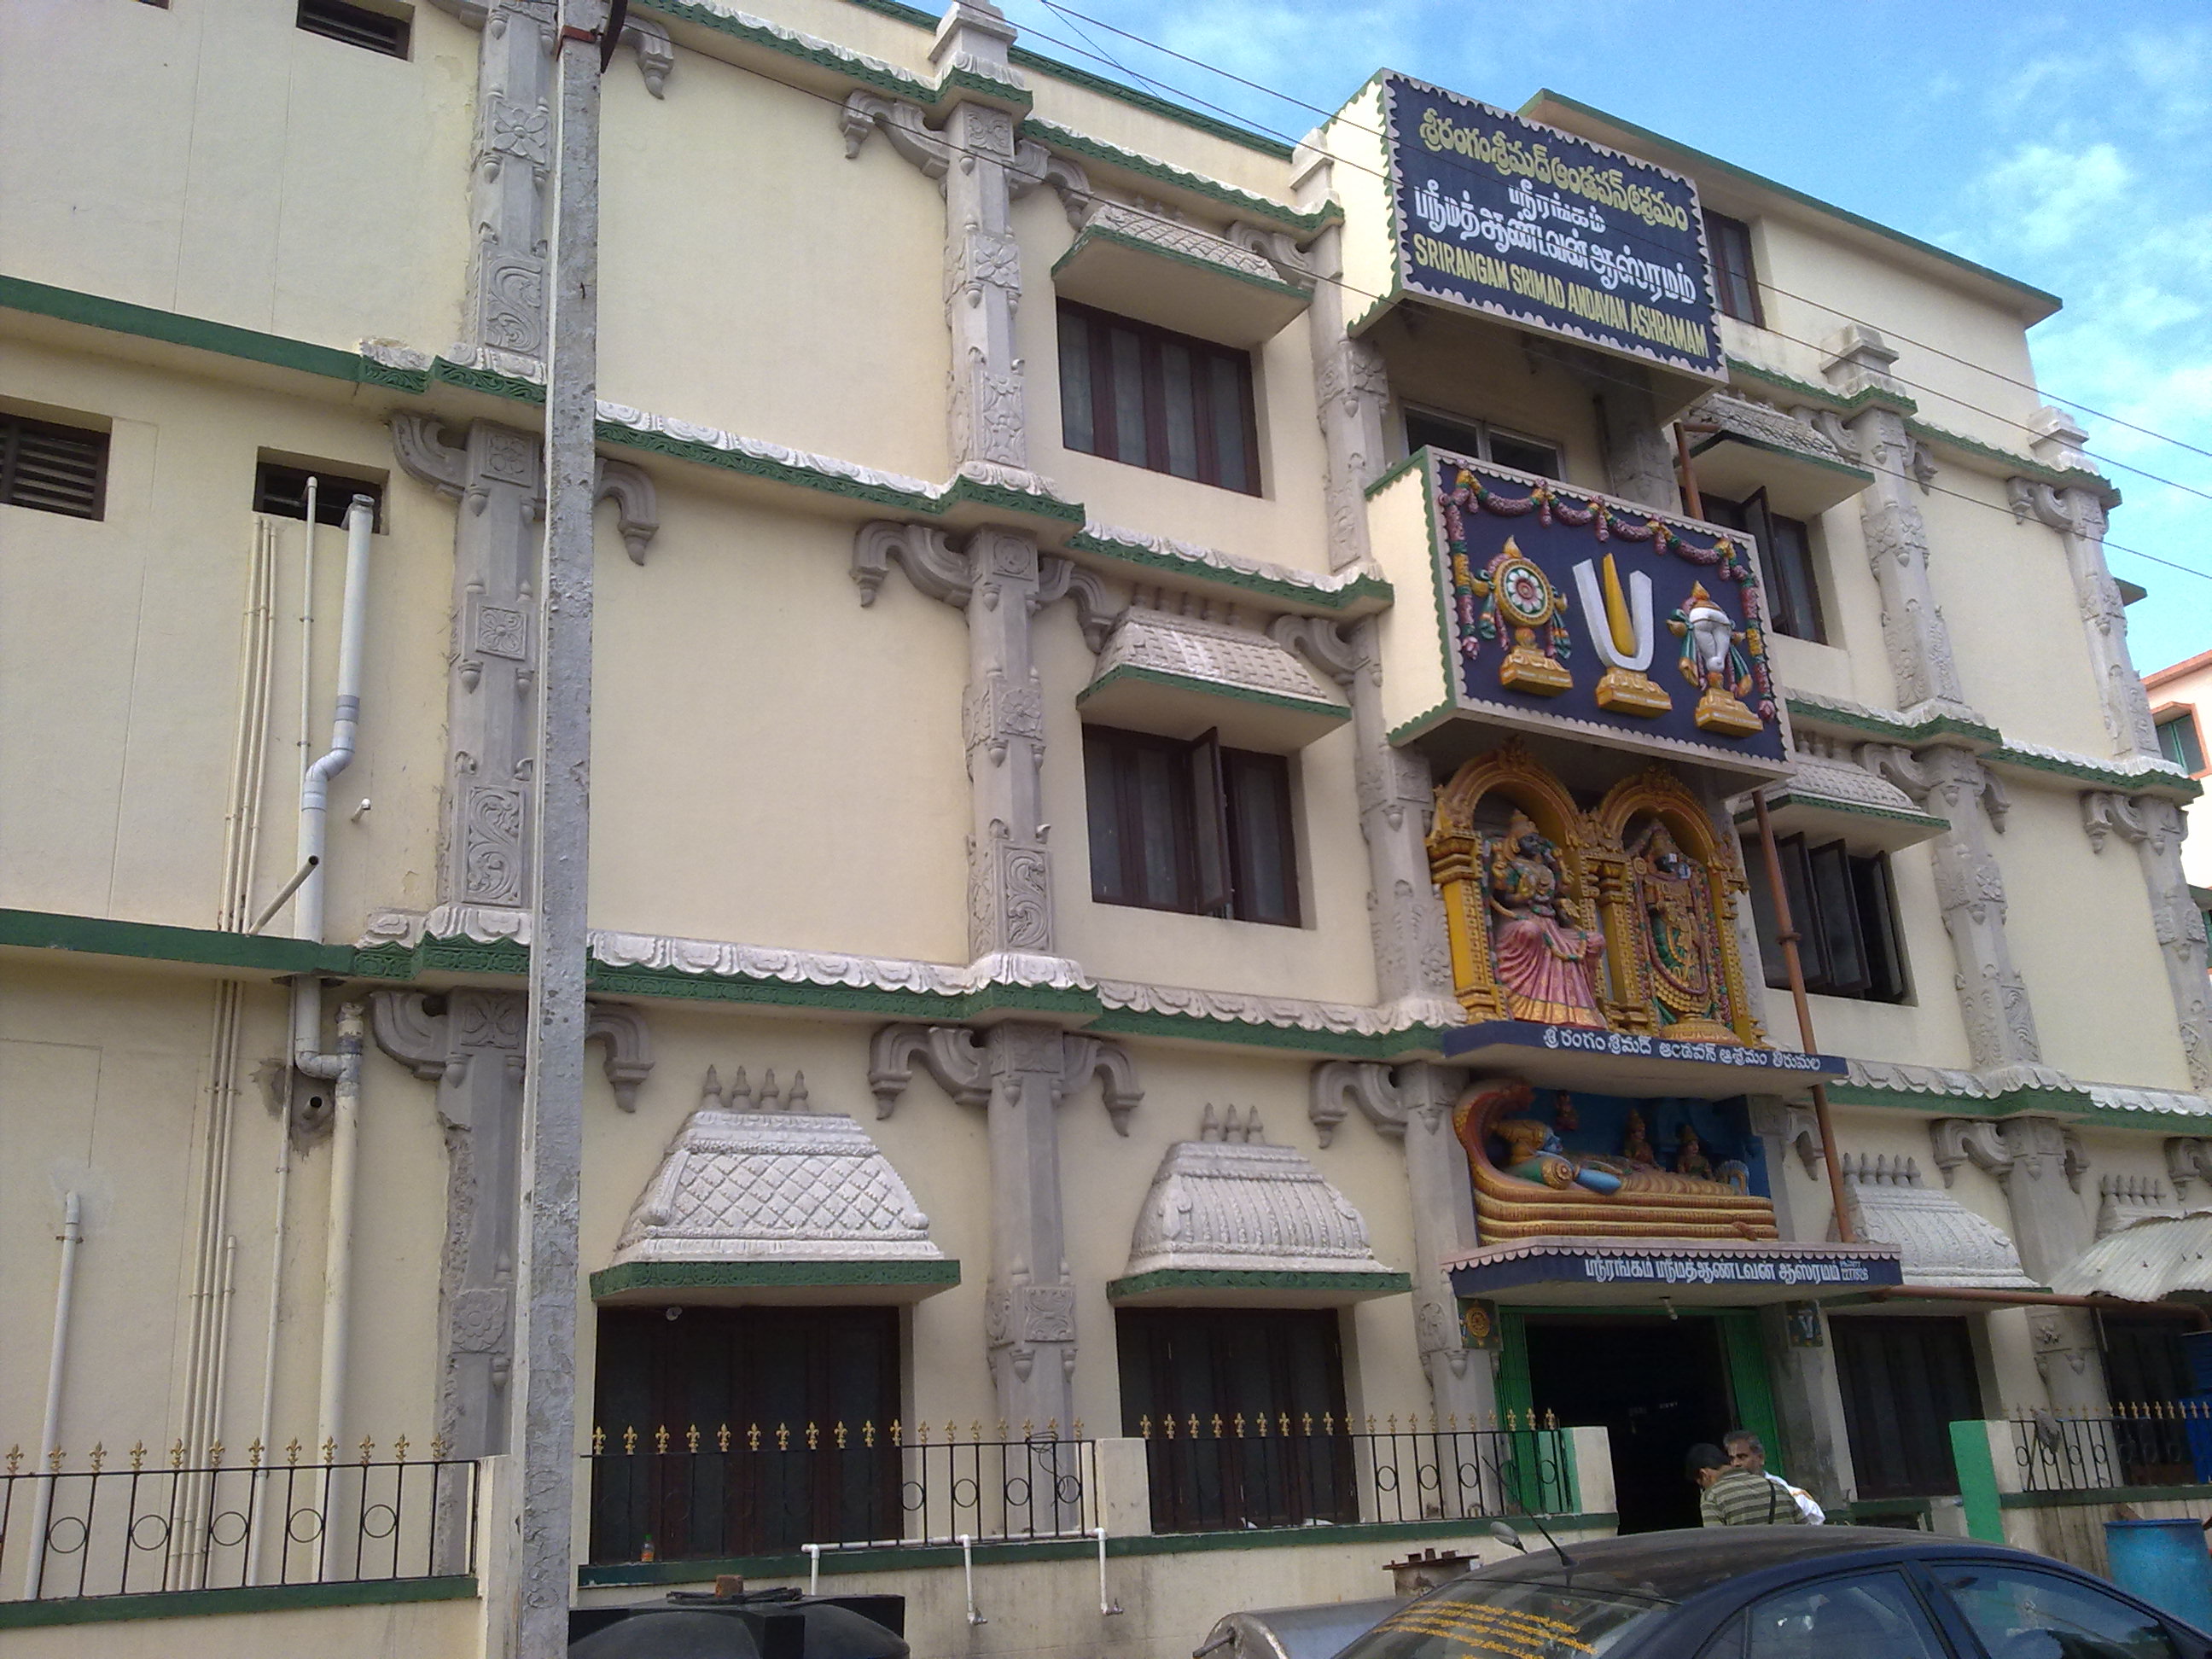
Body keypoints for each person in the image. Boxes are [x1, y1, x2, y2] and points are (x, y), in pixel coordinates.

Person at [1686, 1442, 1807, 1527]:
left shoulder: (1712, 1497)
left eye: (1701, 1485)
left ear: (1704, 1474)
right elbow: (1807, 1530)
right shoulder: (1776, 1486)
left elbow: (1716, 1546)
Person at [1724, 1429, 1825, 1524]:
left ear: (1761, 1458)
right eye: (1732, 1459)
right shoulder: (1726, 1497)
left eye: (1742, 1457)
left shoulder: (1791, 1495)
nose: (1736, 1463)